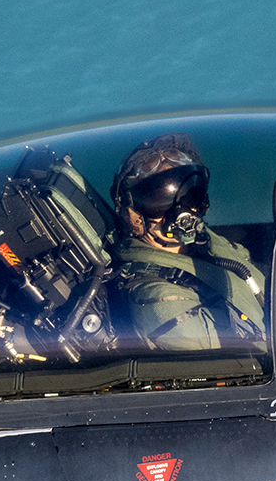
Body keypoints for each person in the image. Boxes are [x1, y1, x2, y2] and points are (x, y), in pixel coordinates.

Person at [110, 133, 267, 352]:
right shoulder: (154, 298)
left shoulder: (205, 242)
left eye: (190, 195)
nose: (181, 211)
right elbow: (252, 351)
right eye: (161, 200)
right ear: (133, 214)